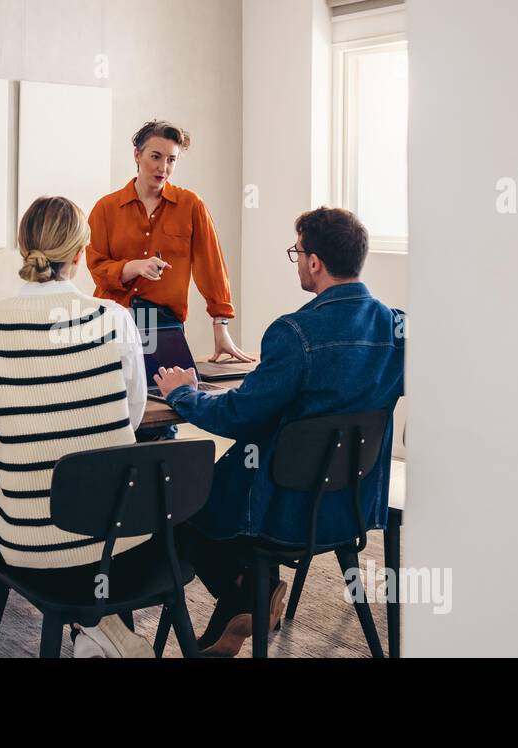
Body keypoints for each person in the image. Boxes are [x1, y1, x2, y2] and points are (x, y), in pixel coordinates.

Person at [152, 207, 406, 657]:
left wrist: (183, 393)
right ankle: (248, 590)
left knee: (177, 508)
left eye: (299, 252)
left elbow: (236, 416)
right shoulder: (397, 328)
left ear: (314, 262)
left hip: (282, 513)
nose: (298, 261)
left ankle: (250, 587)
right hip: (351, 506)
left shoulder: (295, 332)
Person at [0, 196, 159, 658]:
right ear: (81, 254)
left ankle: (93, 628)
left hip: (31, 548)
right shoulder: (115, 320)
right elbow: (129, 418)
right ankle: (98, 627)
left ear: (23, 248)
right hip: (123, 544)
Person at [85, 119, 255, 362]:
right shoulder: (106, 208)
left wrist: (221, 324)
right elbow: (97, 267)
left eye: (171, 160)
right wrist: (131, 267)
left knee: (170, 394)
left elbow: (211, 267)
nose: (163, 167)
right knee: (112, 396)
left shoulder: (191, 205)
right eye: (156, 157)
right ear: (137, 155)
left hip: (164, 325)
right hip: (112, 321)